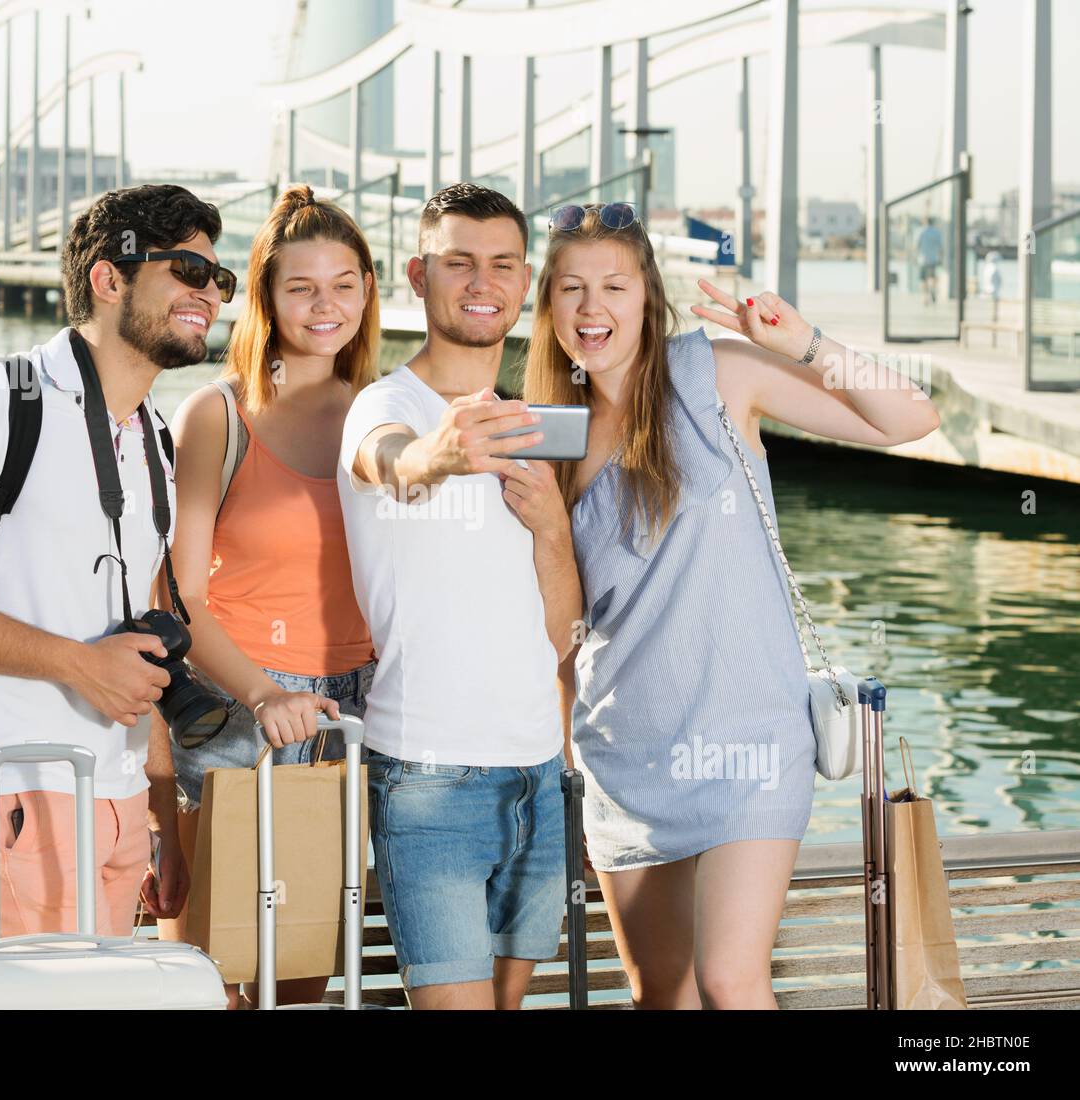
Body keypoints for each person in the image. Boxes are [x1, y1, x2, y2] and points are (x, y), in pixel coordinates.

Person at [524, 201, 941, 1009]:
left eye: (613, 285)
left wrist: (806, 344)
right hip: (624, 756)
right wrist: (568, 773)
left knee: (730, 980)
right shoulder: (551, 435)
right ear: (548, 305)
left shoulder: (713, 373)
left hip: (750, 741)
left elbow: (913, 419)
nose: (591, 308)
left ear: (648, 294)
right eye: (570, 288)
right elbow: (565, 637)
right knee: (663, 997)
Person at [0, 184, 229, 938]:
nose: (212, 295)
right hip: (11, 778)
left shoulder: (156, 439)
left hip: (118, 792)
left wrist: (160, 815)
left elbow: (145, 641)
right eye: (189, 272)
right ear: (109, 278)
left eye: (219, 279)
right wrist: (79, 664)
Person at [338, 182, 582, 1010]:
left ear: (524, 285)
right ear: (417, 274)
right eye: (459, 263)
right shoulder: (384, 406)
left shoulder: (529, 429)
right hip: (430, 777)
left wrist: (552, 527)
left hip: (539, 773)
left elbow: (561, 637)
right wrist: (439, 456)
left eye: (502, 265)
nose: (483, 283)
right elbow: (391, 461)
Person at [153, 185, 380, 1008]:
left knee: (297, 983)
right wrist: (263, 695)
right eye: (302, 287)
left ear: (369, 288)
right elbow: (180, 598)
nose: (327, 305)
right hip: (233, 707)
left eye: (345, 283)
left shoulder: (382, 415)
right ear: (265, 298)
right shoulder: (217, 414)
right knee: (208, 976)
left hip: (350, 715)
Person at [917, 216, 943, 305]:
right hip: (933, 259)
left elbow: (917, 245)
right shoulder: (937, 233)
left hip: (923, 259)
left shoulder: (921, 232)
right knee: (932, 277)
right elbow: (940, 247)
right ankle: (933, 290)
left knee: (923, 279)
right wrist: (940, 258)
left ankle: (925, 298)